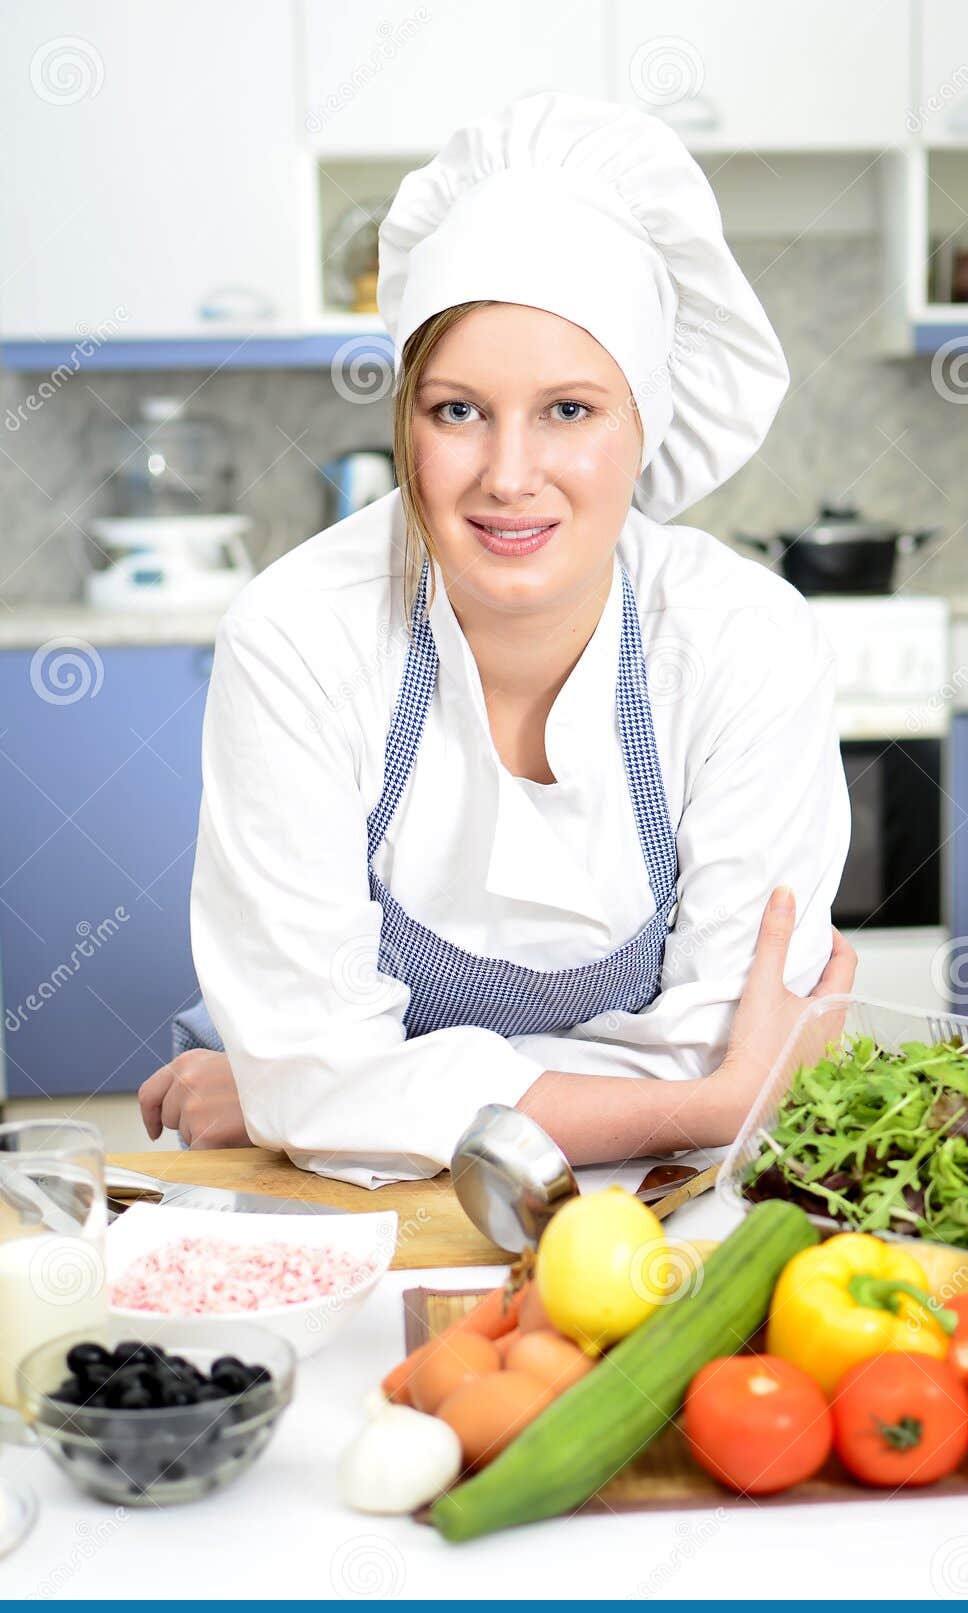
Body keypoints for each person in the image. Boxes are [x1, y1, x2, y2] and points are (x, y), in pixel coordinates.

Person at [139, 93, 855, 1184]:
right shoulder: (298, 635)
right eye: (458, 410)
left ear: (645, 422)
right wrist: (701, 1101)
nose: (509, 476)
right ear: (405, 422)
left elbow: (318, 1084)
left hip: (638, 1209)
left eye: (569, 410)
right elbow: (725, 1083)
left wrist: (329, 1093)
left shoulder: (745, 642)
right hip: (329, 1204)